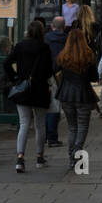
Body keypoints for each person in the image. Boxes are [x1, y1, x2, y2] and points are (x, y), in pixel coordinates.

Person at [3, 18, 53, 173]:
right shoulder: (44, 48)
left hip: (23, 89)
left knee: (24, 124)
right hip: (39, 90)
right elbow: (49, 71)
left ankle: (20, 158)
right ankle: (39, 157)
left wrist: (16, 78)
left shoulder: (20, 46)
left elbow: (6, 63)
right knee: (39, 124)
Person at [56, 26, 99, 168]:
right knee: (82, 126)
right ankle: (77, 152)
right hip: (83, 94)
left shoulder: (63, 56)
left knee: (72, 127)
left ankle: (71, 158)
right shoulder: (88, 55)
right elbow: (94, 77)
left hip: (66, 95)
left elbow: (54, 70)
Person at [44, 16, 68, 147]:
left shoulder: (46, 38)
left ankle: (47, 134)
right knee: (56, 106)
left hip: (47, 74)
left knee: (50, 105)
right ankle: (52, 137)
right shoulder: (67, 39)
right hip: (61, 74)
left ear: (52, 26)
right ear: (64, 27)